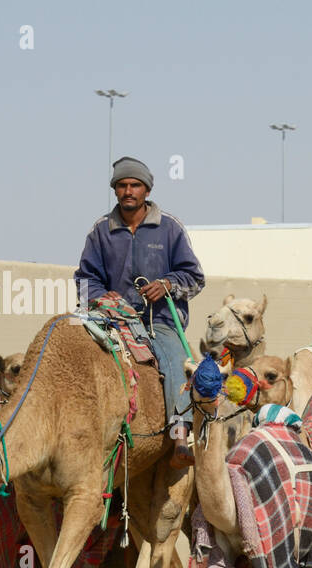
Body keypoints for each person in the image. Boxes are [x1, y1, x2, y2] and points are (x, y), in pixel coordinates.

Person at [76, 156, 204, 466]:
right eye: (122, 185)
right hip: (112, 320)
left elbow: (195, 277)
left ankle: (180, 433)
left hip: (158, 321)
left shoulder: (170, 228)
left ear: (146, 190)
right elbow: (84, 280)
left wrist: (167, 284)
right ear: (115, 190)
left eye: (134, 185)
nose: (128, 191)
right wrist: (97, 297)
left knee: (176, 361)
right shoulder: (100, 231)